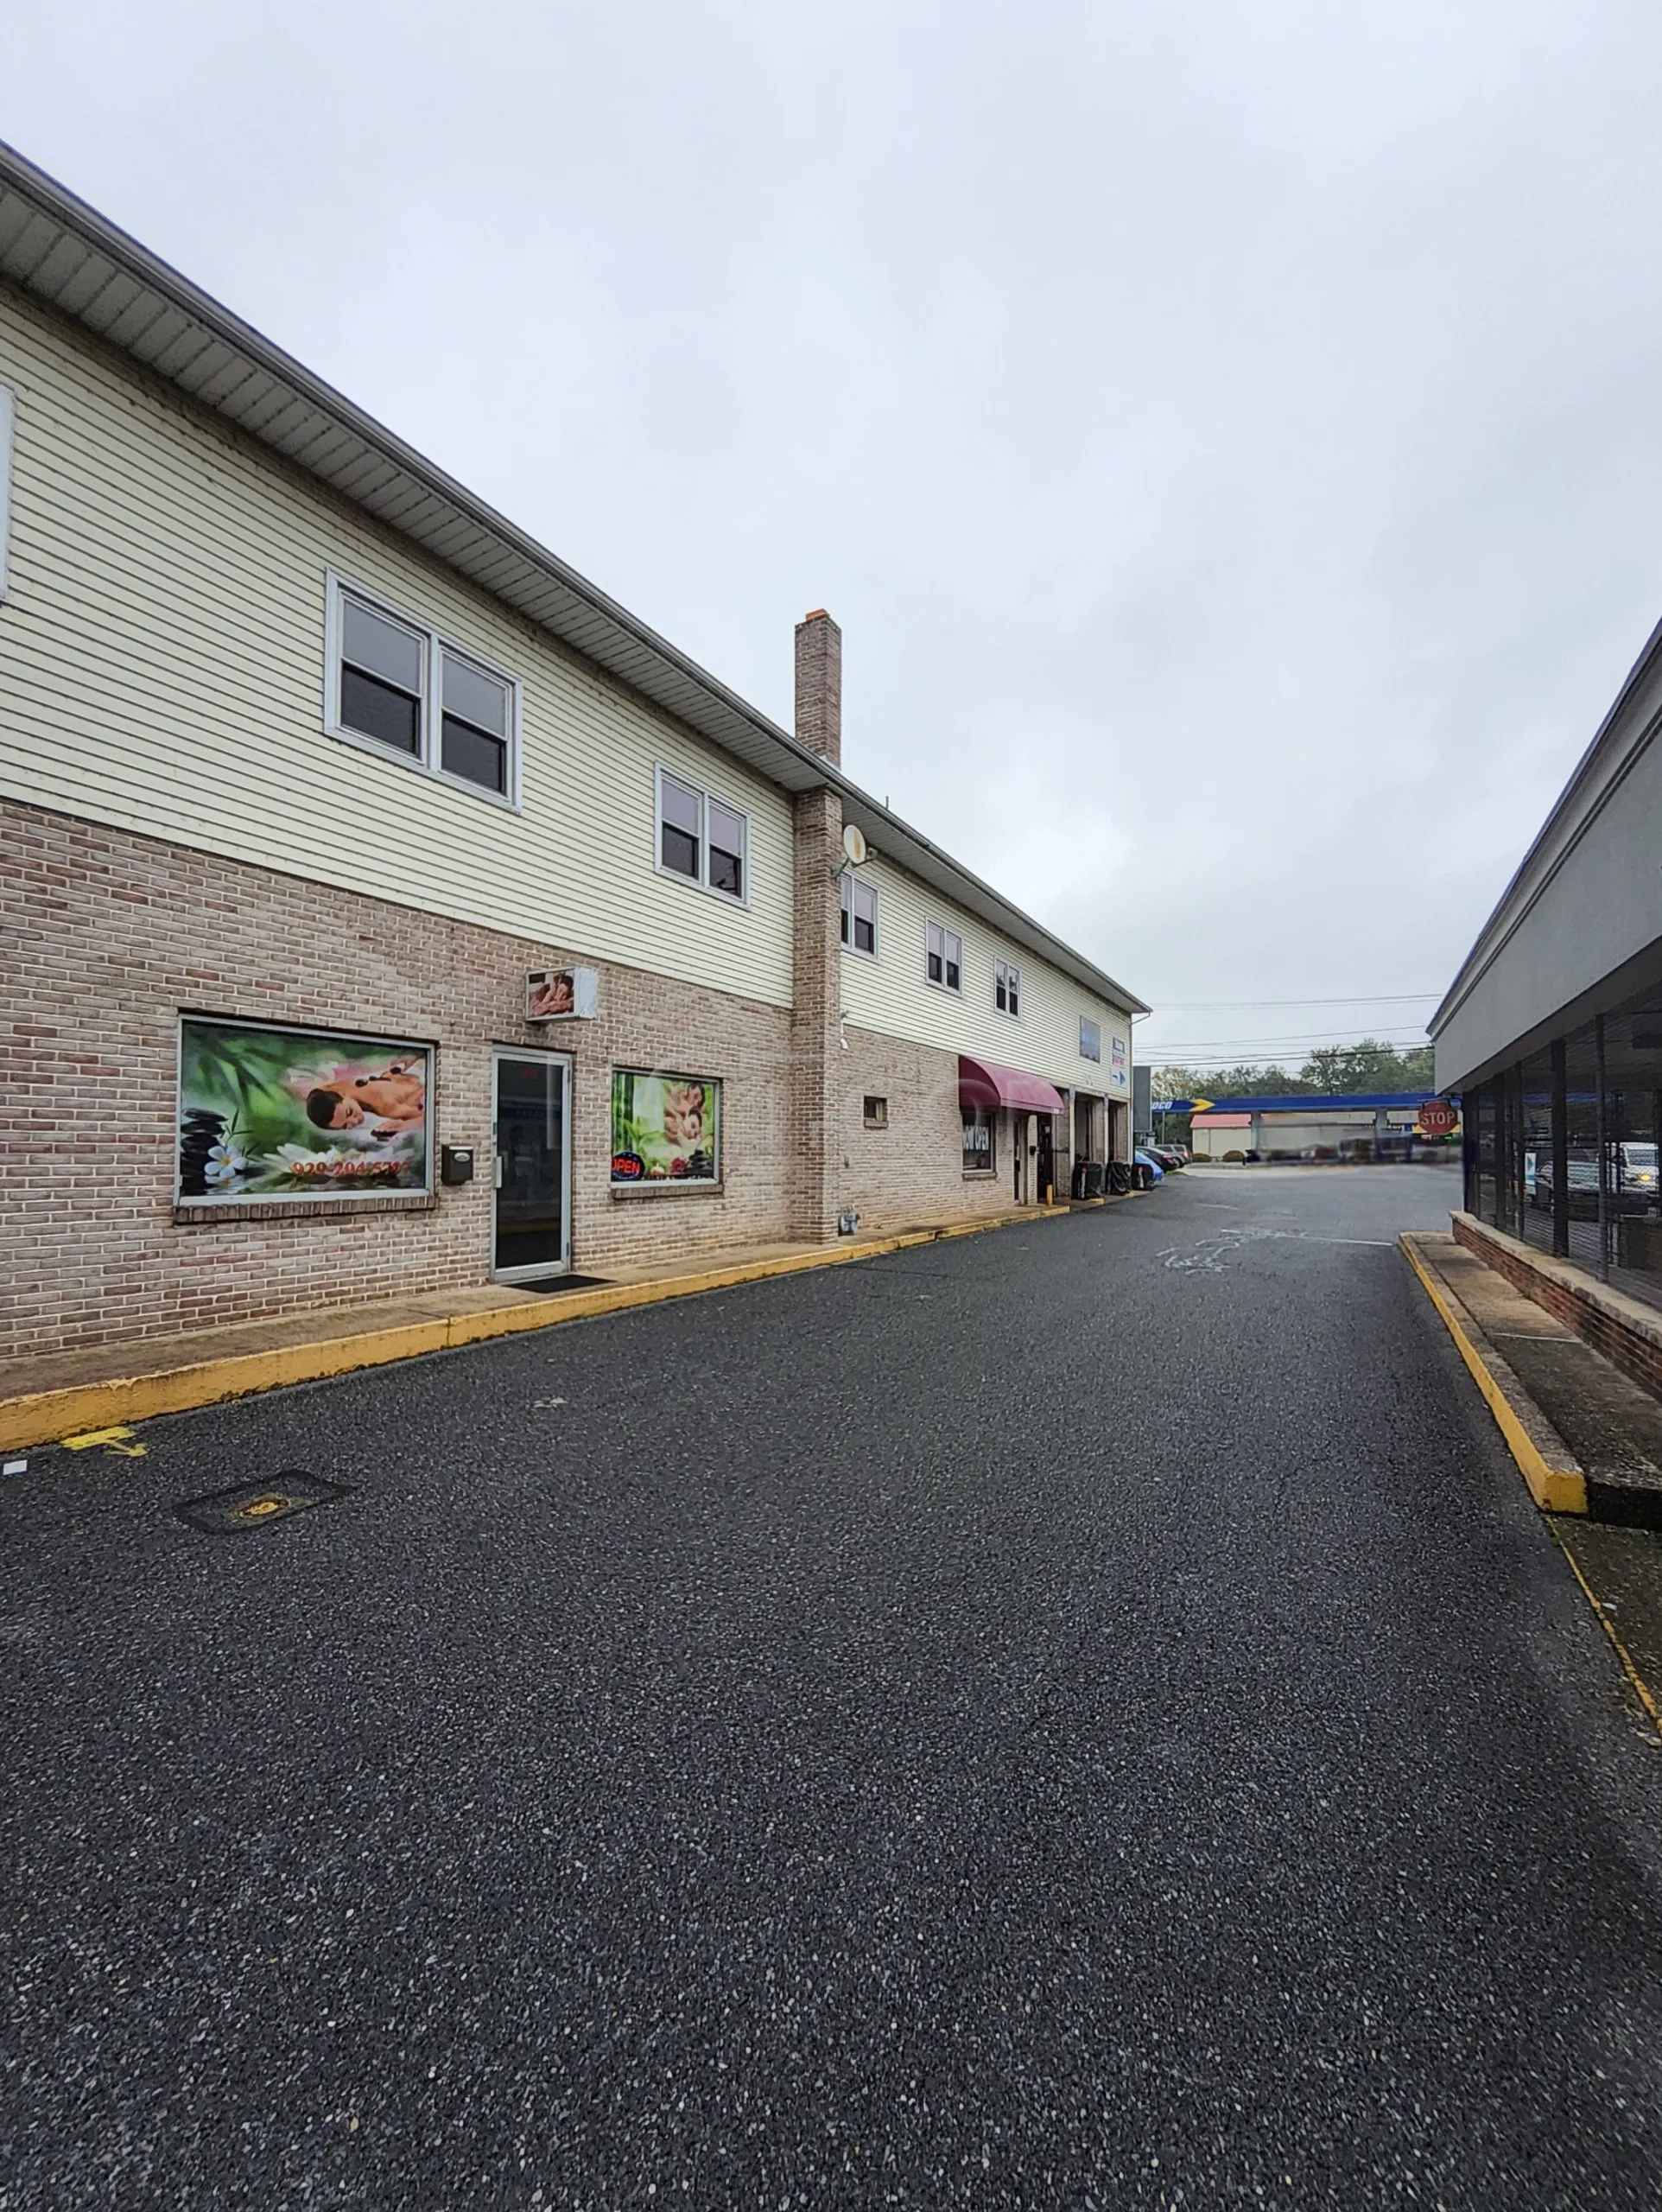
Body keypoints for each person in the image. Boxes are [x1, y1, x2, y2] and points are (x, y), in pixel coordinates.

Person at [304, 1059, 426, 1138]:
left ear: (343, 1095)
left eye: (349, 1112)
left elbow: (429, 1118)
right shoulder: (343, 1085)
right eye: (346, 1125)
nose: (355, 1121)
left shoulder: (385, 1106)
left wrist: (403, 1126)